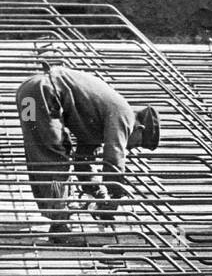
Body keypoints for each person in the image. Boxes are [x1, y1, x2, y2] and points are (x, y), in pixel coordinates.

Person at [16, 50, 160, 244]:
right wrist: (116, 194)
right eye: (138, 144)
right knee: (54, 158)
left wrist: (97, 192)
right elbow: (113, 159)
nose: (132, 148)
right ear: (139, 128)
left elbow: (83, 160)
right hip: (44, 92)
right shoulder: (124, 114)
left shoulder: (100, 119)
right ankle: (60, 228)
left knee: (39, 149)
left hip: (29, 91)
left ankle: (56, 215)